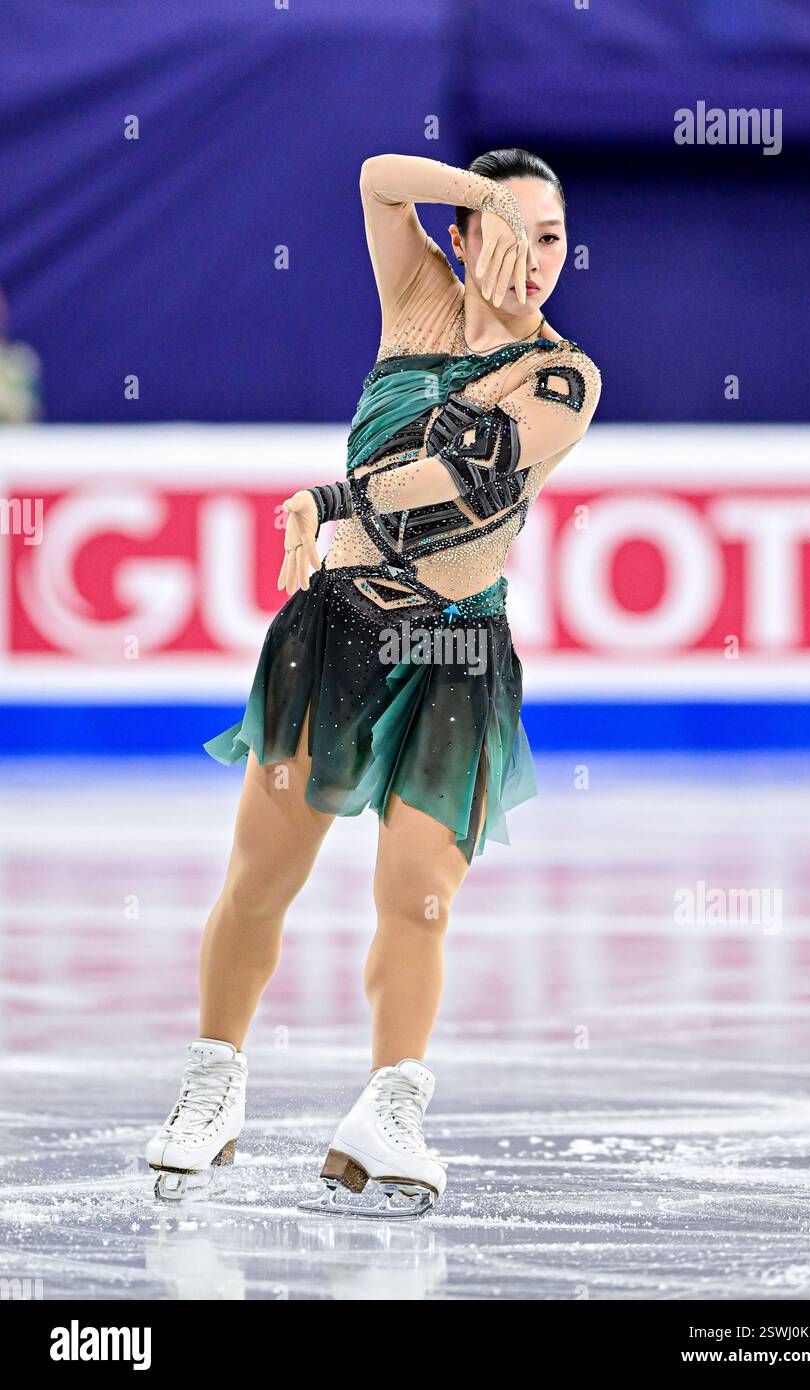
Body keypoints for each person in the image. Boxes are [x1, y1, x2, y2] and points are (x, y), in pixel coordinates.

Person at [146, 149, 602, 1215]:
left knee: (418, 898)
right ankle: (212, 1086)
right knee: (259, 881)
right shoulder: (414, 301)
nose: (531, 257)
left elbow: (458, 489)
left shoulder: (561, 378)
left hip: (455, 656)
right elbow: (371, 177)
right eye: (505, 227)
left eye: (549, 236)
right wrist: (471, 194)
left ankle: (387, 1108)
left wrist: (324, 499)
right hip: (334, 637)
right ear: (460, 233)